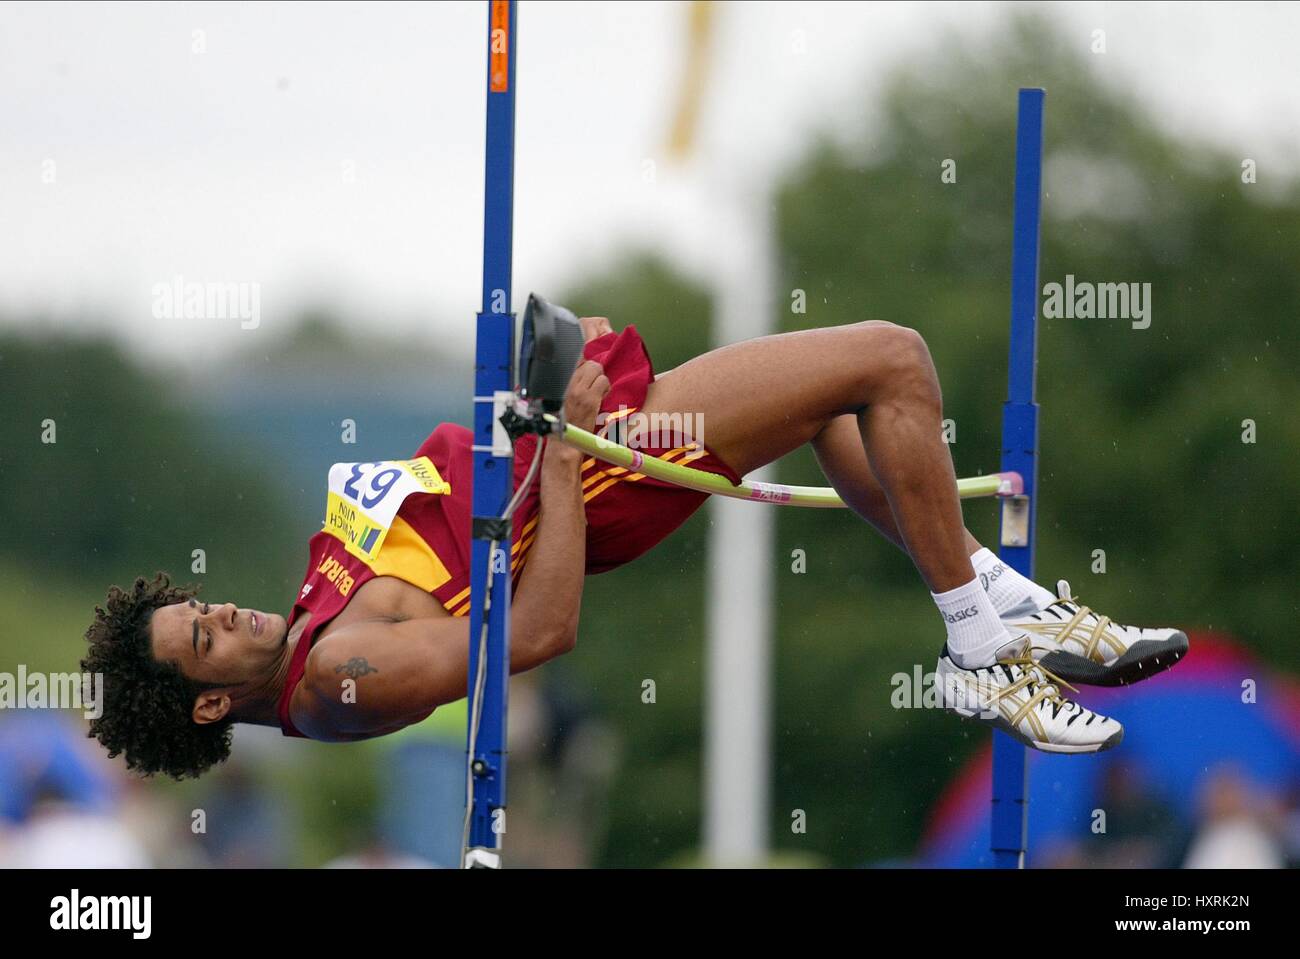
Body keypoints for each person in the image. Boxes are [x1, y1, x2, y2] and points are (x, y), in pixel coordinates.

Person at [83, 316, 1187, 779]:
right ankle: (979, 639)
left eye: (205, 603)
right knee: (889, 360)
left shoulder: (317, 612)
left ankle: (1001, 606)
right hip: (598, 472)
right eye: (203, 635)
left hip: (581, 451)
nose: (222, 609)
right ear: (210, 703)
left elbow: (442, 506)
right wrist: (557, 449)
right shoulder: (338, 678)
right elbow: (542, 630)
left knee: (830, 404)